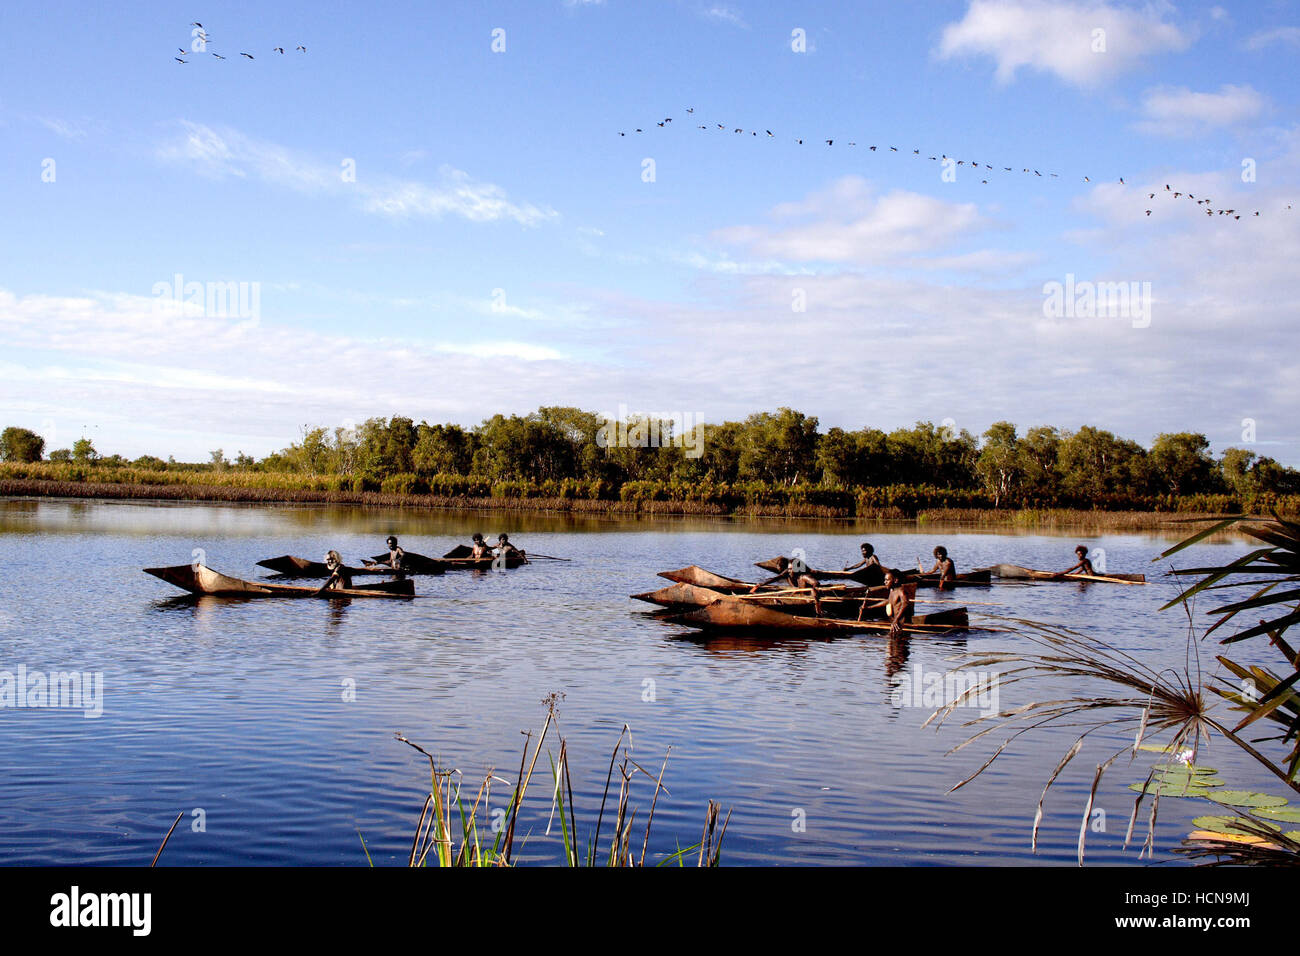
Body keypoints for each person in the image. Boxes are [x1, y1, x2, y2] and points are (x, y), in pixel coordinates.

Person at [751, 556, 823, 616]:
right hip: (801, 597)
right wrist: (762, 584)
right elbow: (777, 578)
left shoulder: (804, 577)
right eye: (788, 569)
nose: (789, 571)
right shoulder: (789, 573)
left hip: (808, 600)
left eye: (791, 569)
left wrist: (813, 589)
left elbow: (816, 583)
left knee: (779, 601)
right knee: (777, 598)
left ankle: (818, 613)